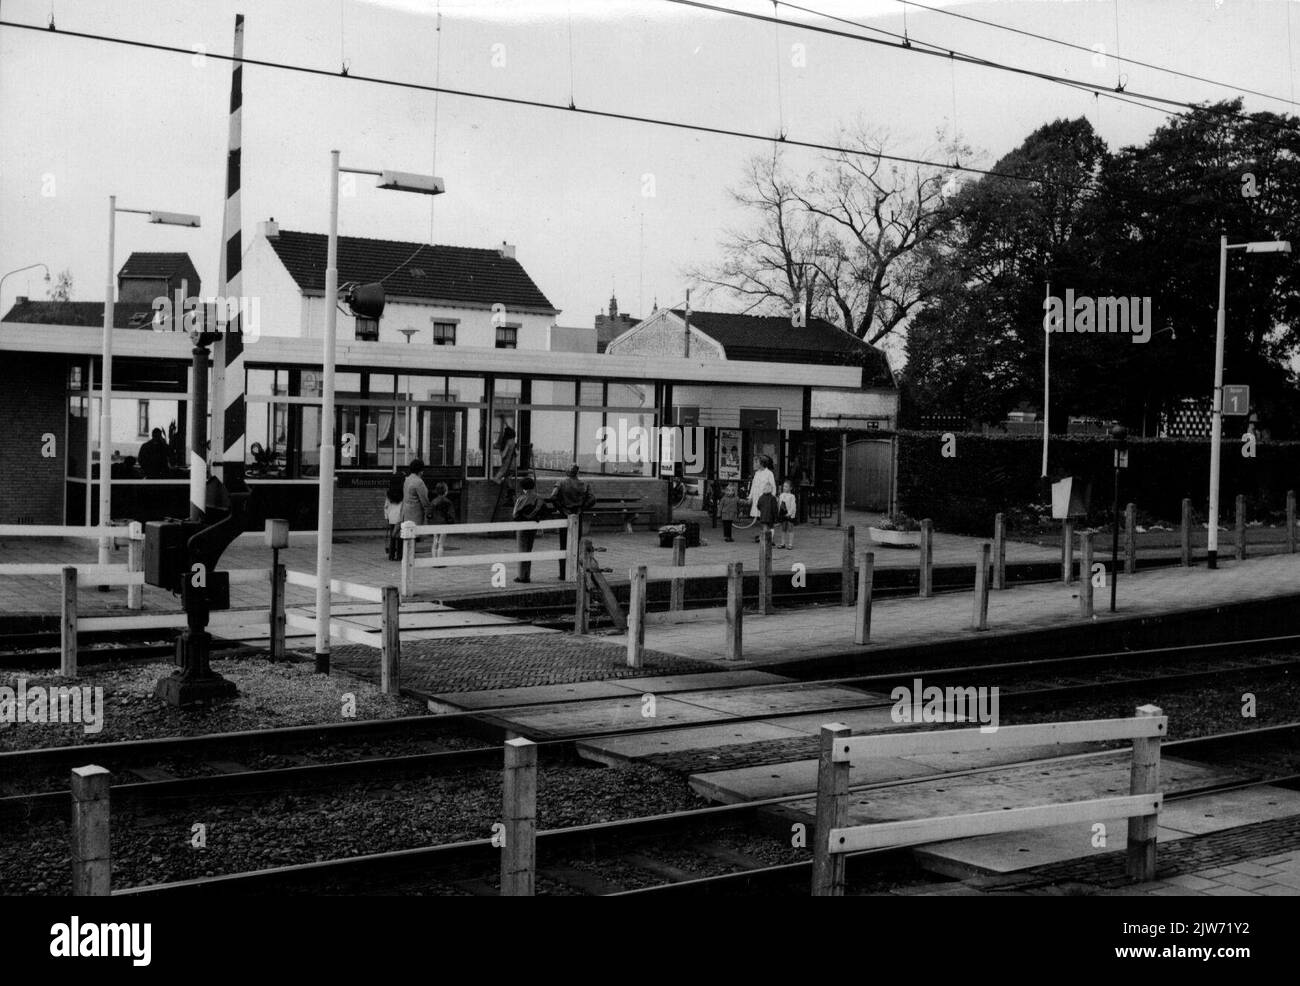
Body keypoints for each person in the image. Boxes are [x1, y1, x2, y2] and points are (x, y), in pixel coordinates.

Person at [549, 464, 596, 580]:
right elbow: (593, 499)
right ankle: (574, 570)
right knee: (576, 543)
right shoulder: (584, 484)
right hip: (578, 515)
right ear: (577, 472)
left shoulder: (560, 483)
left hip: (565, 515)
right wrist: (582, 509)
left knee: (564, 544)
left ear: (567, 471)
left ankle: (563, 573)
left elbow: (553, 497)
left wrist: (563, 509)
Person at [512, 475, 545, 583]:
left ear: (523, 487)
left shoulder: (521, 498)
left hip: (522, 527)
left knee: (522, 550)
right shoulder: (539, 498)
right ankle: (527, 575)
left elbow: (515, 515)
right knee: (529, 550)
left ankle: (521, 576)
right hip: (533, 526)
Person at [401, 459, 431, 552]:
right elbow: (424, 499)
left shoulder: (407, 480)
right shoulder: (419, 482)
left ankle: (406, 555)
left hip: (406, 511)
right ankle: (410, 557)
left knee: (408, 536)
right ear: (420, 470)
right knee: (413, 536)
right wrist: (428, 511)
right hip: (415, 513)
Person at [749, 454, 778, 544]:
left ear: (761, 463)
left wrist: (771, 499)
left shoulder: (769, 473)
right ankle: (763, 535)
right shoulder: (757, 473)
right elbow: (753, 486)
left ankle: (770, 537)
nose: (755, 464)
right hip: (759, 500)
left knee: (767, 519)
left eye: (756, 462)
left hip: (767, 501)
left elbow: (773, 486)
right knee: (762, 519)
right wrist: (750, 497)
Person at [428, 481, 457, 557]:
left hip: (434, 524)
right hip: (444, 524)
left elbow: (429, 514)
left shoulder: (433, 501)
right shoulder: (448, 502)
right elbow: (451, 515)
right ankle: (439, 561)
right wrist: (451, 523)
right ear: (446, 491)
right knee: (441, 543)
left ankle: (434, 561)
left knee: (435, 541)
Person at [384, 468, 406, 560]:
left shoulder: (389, 493)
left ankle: (391, 555)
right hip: (400, 516)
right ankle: (400, 555)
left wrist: (386, 516)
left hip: (391, 517)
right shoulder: (403, 492)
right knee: (400, 536)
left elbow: (386, 506)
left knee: (392, 536)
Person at [777, 480, 798, 550]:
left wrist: (790, 513)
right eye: (784, 486)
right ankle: (782, 543)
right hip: (783, 514)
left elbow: (793, 506)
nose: (784, 488)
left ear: (790, 488)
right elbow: (779, 504)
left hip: (789, 515)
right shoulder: (781, 495)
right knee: (783, 529)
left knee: (790, 529)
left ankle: (790, 544)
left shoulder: (792, 496)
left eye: (786, 486)